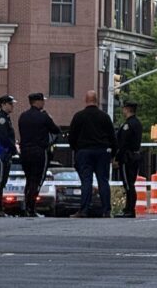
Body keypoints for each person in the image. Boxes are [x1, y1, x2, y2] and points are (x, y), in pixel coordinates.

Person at [68, 90, 117, 218]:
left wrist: (76, 150)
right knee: (103, 181)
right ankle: (106, 210)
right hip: (102, 151)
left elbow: (72, 136)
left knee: (86, 181)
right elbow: (113, 137)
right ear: (97, 100)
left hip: (84, 152)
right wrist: (112, 154)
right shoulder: (104, 117)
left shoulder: (79, 116)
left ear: (86, 100)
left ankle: (84, 210)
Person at [18, 92, 62, 217]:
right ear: (37, 102)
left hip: (25, 152)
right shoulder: (43, 117)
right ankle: (31, 208)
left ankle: (26, 207)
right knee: (37, 180)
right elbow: (55, 130)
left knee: (29, 178)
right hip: (39, 152)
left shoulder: (23, 116)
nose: (44, 103)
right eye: (42, 100)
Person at [0, 95, 18, 217]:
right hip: (1, 153)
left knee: (1, 182)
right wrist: (14, 149)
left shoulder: (5, 117)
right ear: (4, 104)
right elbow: (4, 137)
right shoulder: (0, 118)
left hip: (4, 153)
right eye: (10, 104)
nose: (12, 106)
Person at [115, 100, 143, 218]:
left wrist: (117, 158)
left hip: (127, 158)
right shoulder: (138, 123)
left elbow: (123, 143)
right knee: (131, 183)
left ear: (127, 109)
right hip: (135, 156)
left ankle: (129, 210)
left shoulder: (128, 124)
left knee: (128, 184)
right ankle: (129, 208)